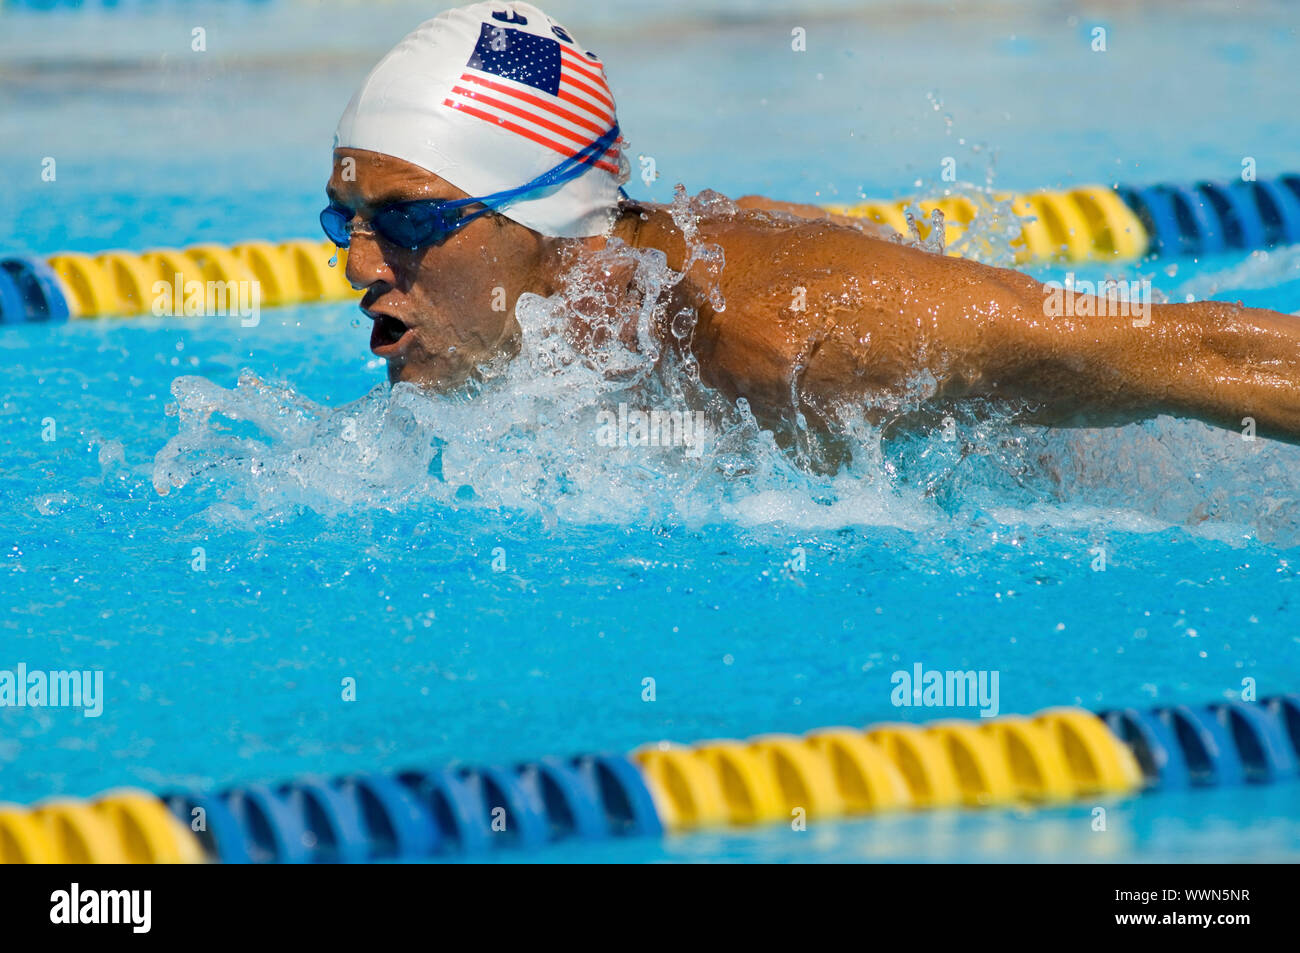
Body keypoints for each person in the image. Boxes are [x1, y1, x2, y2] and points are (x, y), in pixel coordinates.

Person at [325, 1, 1300, 453]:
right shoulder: (581, 319)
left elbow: (1202, 349)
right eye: (348, 218)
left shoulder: (792, 336)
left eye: (407, 221)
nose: (358, 262)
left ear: (546, 220)